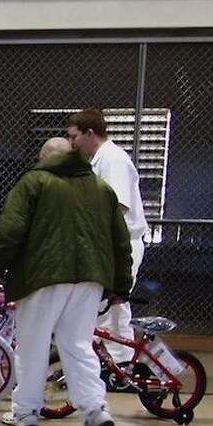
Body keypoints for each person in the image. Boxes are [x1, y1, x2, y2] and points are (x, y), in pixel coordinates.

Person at [0, 137, 133, 426]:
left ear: (44, 157)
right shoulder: (101, 188)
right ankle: (94, 409)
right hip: (90, 278)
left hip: (43, 275)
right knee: (77, 343)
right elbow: (120, 239)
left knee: (32, 344)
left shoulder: (34, 182)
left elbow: (11, 229)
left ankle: (25, 411)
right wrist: (121, 285)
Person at [66, 108, 148, 363]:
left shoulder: (112, 159)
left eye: (74, 136)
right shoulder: (99, 159)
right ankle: (116, 362)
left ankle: (121, 363)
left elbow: (117, 206)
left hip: (121, 245)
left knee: (113, 307)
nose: (71, 143)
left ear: (90, 133)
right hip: (108, 245)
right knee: (109, 308)